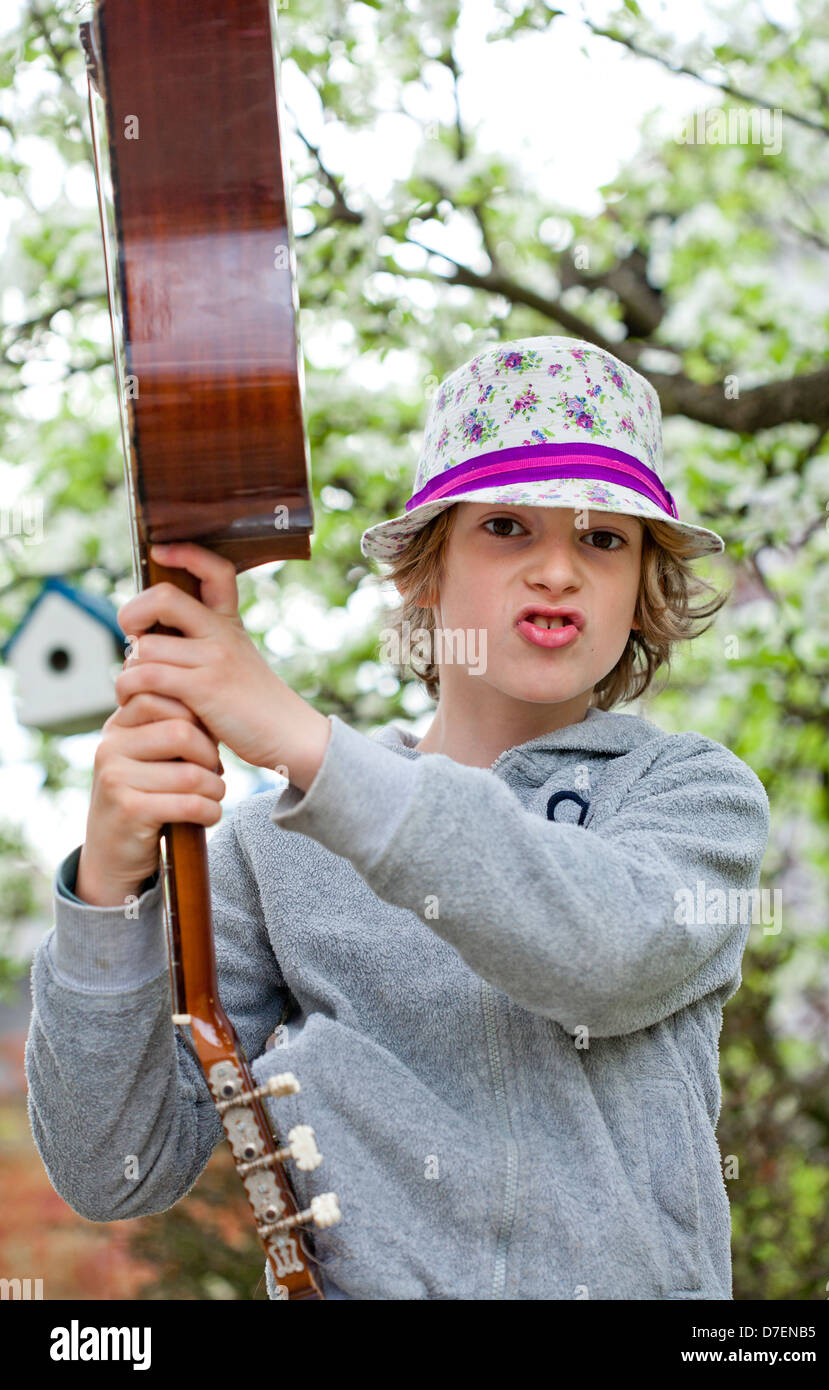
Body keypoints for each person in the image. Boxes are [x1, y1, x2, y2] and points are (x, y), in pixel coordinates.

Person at [25, 335, 770, 1300]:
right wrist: (108, 890)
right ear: (425, 571)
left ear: (642, 589)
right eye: (507, 526)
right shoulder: (271, 848)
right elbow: (114, 1169)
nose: (557, 570)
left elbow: (601, 956)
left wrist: (309, 744)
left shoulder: (695, 794)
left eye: (603, 537)